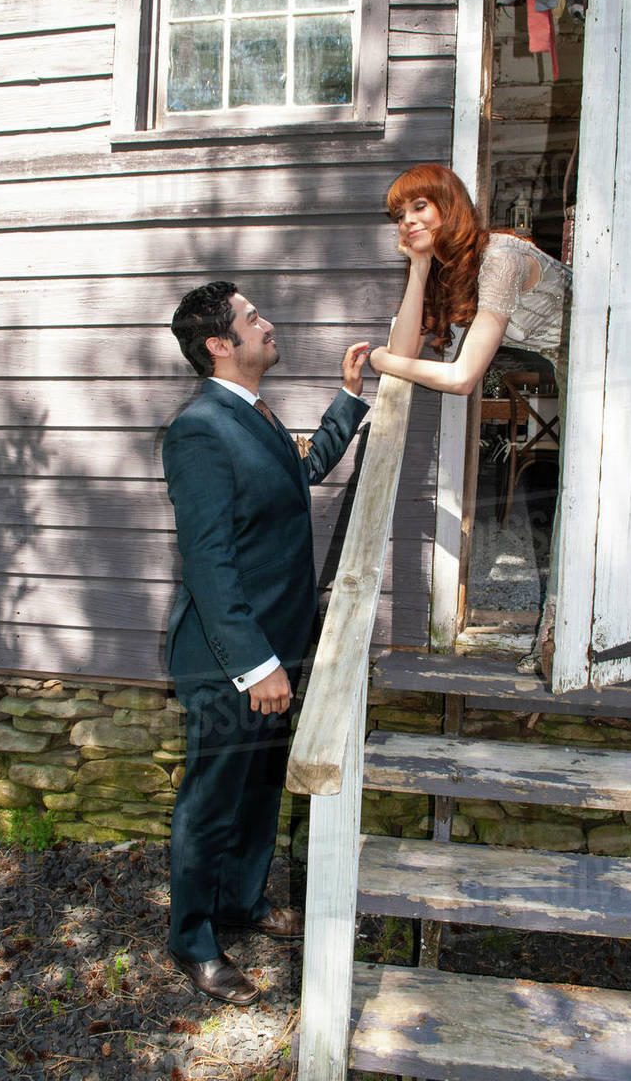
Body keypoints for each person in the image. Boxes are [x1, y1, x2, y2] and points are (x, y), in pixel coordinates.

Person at [162, 280, 369, 1005]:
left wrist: (348, 399)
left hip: (278, 649)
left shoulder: (252, 415)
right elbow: (208, 563)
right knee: (212, 801)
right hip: (228, 662)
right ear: (220, 344)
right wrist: (255, 667)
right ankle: (191, 940)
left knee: (256, 795)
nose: (267, 324)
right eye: (253, 319)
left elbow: (299, 474)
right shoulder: (198, 431)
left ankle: (241, 906)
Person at [369, 162, 571, 674]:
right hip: (578, 370)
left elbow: (460, 378)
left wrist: (384, 362)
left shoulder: (500, 256)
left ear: (449, 205)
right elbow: (404, 345)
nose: (408, 221)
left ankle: (565, 643)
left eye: (420, 206)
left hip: (625, 361)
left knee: (592, 500)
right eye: (400, 214)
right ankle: (559, 644)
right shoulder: (452, 271)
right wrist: (417, 269)